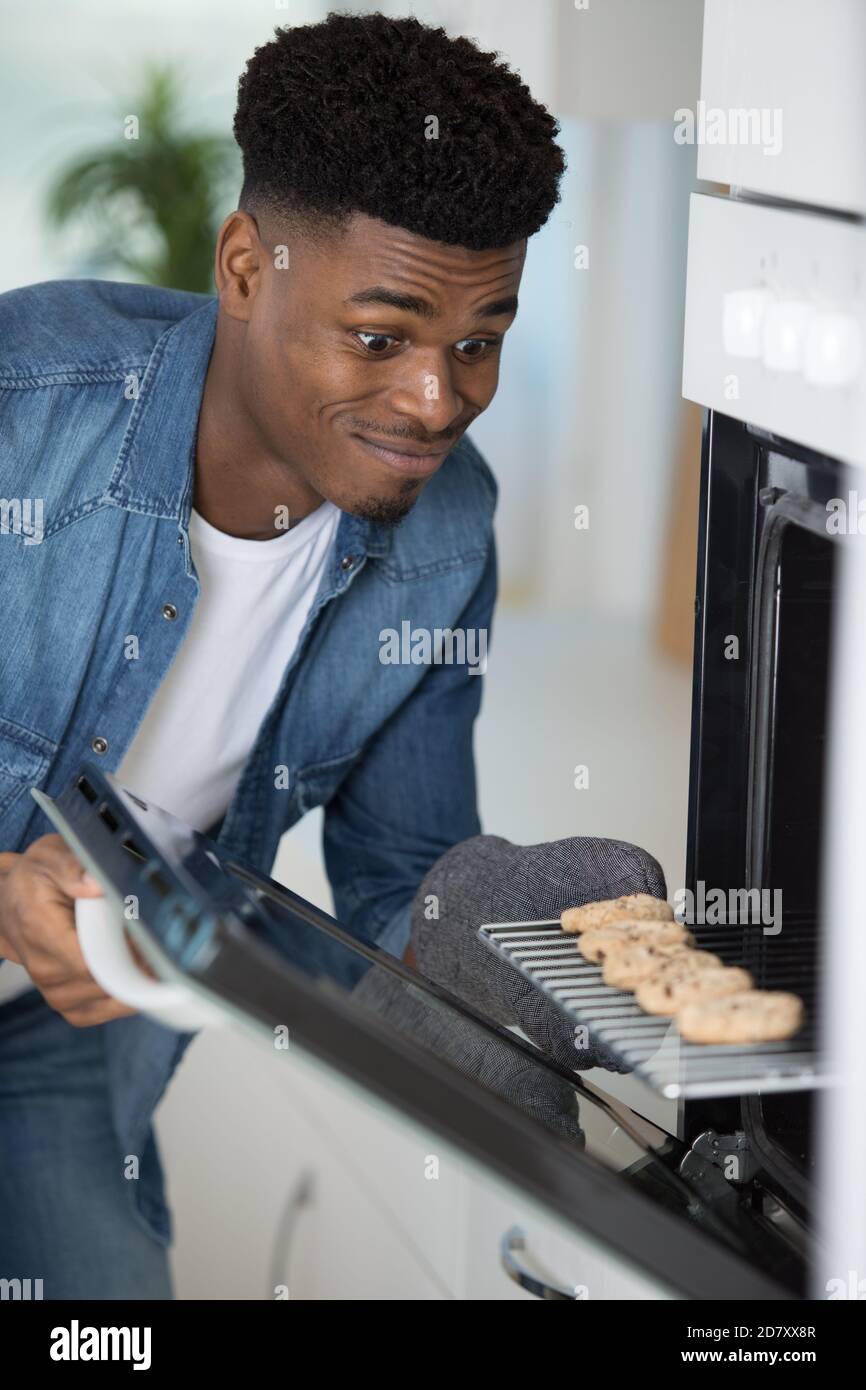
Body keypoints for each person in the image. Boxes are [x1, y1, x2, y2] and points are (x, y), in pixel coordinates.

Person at [0, 12, 574, 1298]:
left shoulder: (449, 528)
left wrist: (510, 934)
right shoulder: (18, 406)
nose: (436, 401)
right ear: (246, 269)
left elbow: (397, 886)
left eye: (478, 340)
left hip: (70, 1037)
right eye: (381, 336)